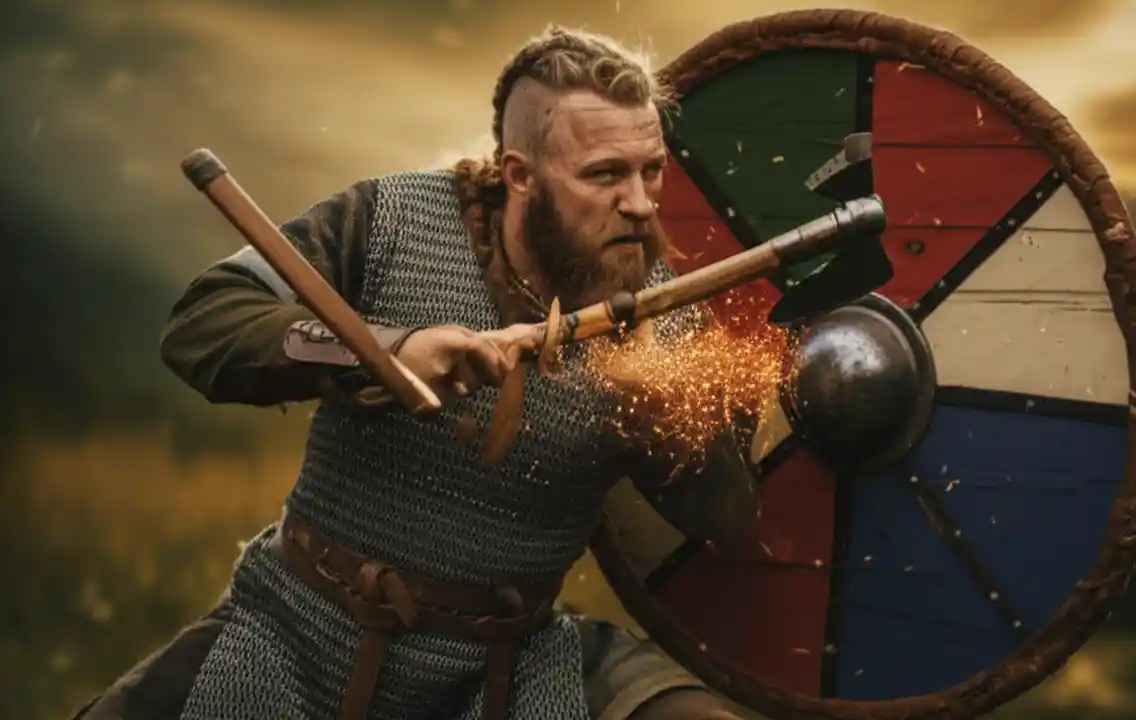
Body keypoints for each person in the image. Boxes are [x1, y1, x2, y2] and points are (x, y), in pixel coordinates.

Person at [74, 25, 759, 720]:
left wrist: (661, 405)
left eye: (651, 170)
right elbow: (204, 321)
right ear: (520, 175)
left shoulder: (665, 308)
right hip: (297, 632)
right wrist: (383, 350)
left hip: (515, 661)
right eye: (605, 174)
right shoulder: (391, 223)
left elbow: (727, 518)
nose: (640, 203)